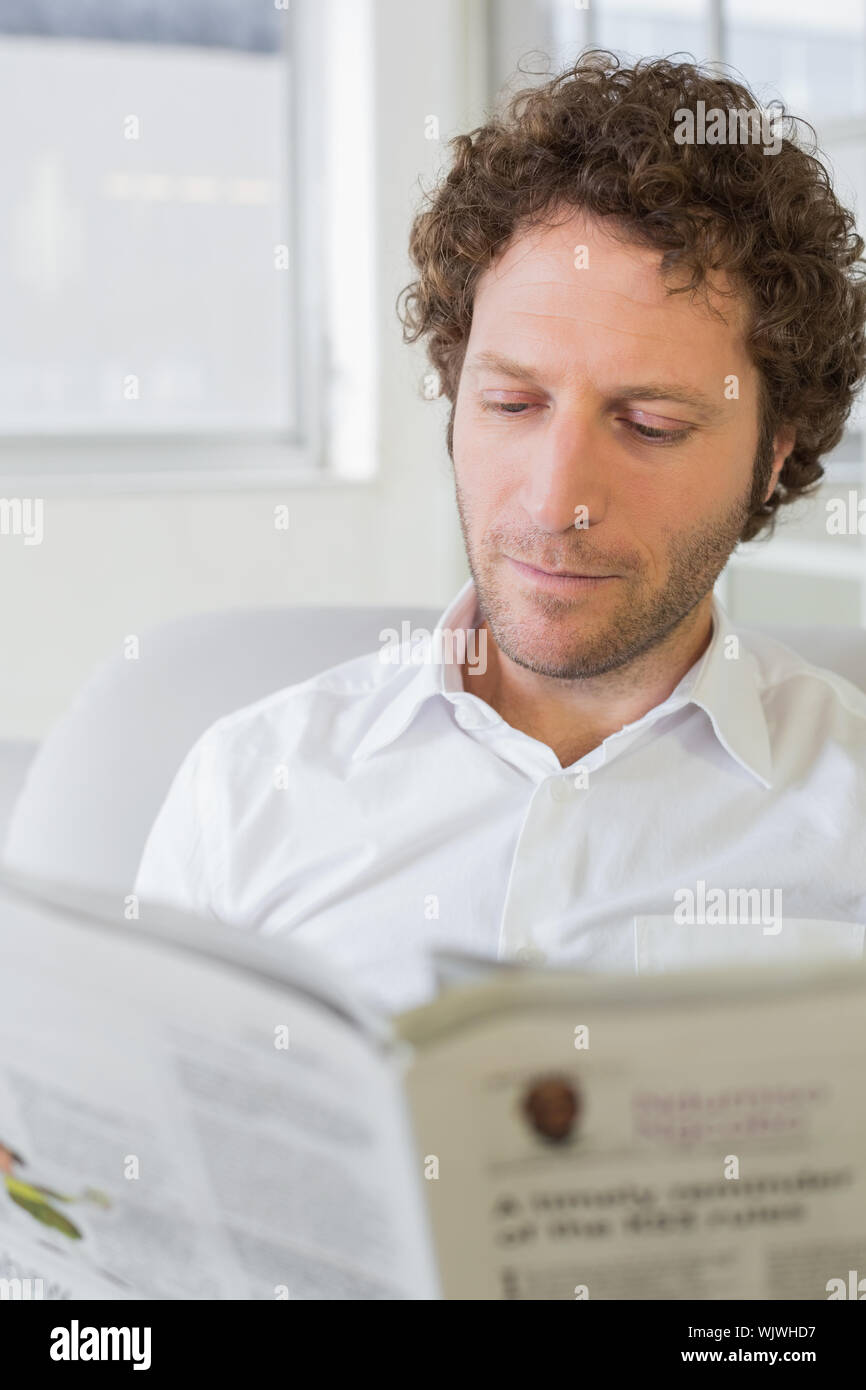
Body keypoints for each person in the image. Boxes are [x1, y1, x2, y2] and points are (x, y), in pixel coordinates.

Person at [134, 53, 866, 1015]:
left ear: (774, 453)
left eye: (649, 425)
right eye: (513, 404)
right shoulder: (248, 790)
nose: (556, 497)